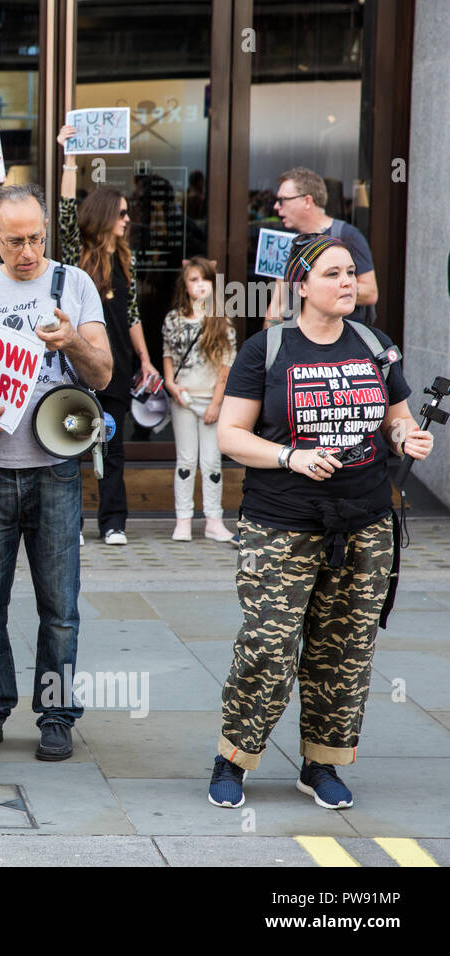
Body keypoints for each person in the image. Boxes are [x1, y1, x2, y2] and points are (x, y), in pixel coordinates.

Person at [207, 234, 432, 811]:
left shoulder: (374, 344)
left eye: (351, 272)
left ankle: (321, 764)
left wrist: (409, 436)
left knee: (345, 647)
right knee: (269, 644)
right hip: (280, 523)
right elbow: (231, 435)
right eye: (333, 274)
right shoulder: (268, 349)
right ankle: (234, 757)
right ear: (301, 285)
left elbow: (395, 421)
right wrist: (291, 456)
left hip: (363, 522)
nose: (347, 282)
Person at [0, 183, 113, 762]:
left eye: (37, 237)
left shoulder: (75, 284)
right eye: (15, 241)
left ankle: (56, 715)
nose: (29, 251)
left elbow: (105, 373)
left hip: (55, 470)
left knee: (60, 608)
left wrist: (73, 345)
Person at [57, 125, 159, 545]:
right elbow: (65, 210)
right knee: (73, 442)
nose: (127, 220)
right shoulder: (73, 254)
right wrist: (69, 158)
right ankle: (71, 523)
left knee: (112, 444)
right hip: (78, 366)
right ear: (103, 217)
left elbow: (132, 314)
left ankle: (113, 522)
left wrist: (147, 360)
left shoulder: (125, 259)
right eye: (121, 213)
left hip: (116, 365)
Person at [161, 257, 237, 542]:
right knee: (186, 460)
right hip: (183, 398)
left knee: (211, 462)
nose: (199, 285)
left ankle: (213, 519)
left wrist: (217, 403)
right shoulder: (173, 319)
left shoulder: (221, 320)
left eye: (205, 279)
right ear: (185, 283)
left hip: (211, 400)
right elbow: (168, 355)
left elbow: (226, 366)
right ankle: (183, 519)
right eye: (193, 279)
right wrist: (171, 385)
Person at [266, 166, 377, 326]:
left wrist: (322, 288)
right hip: (295, 340)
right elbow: (279, 302)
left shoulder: (347, 236)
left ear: (307, 201)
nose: (276, 206)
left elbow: (370, 293)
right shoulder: (287, 242)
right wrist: (269, 342)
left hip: (339, 343)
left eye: (283, 200)